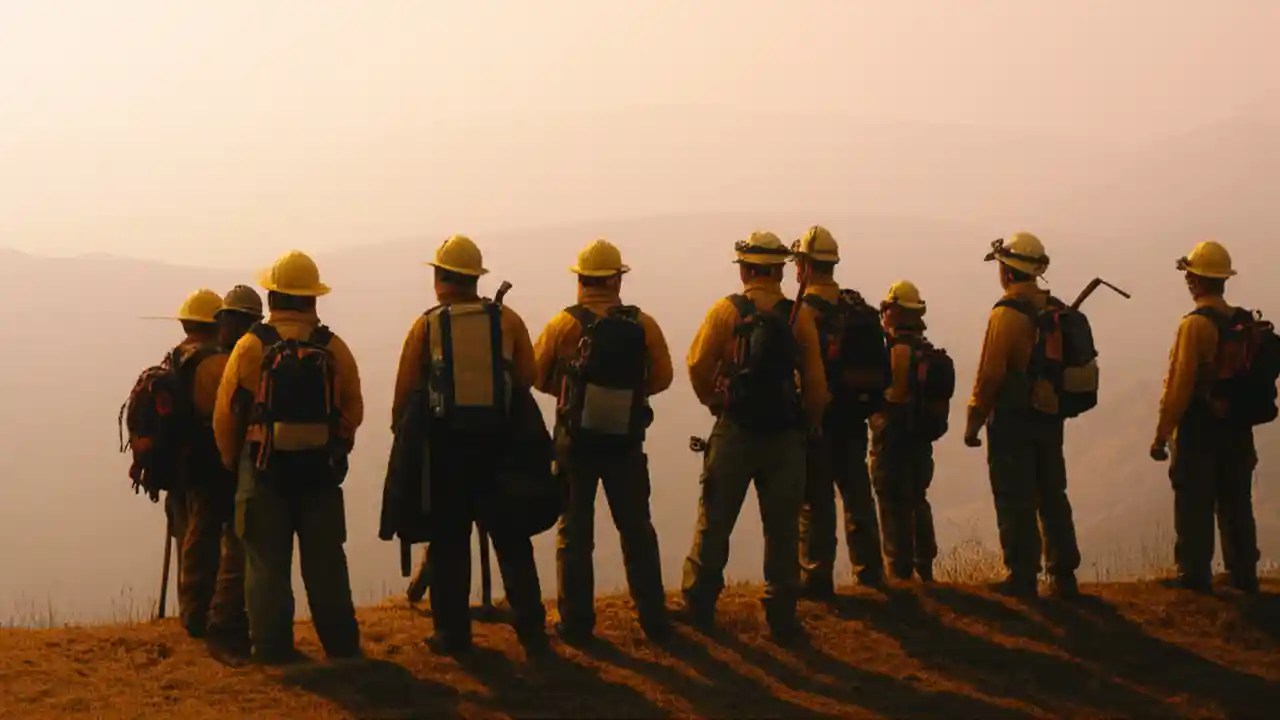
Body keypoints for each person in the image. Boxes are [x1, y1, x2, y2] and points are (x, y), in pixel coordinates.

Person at [391, 234, 549, 656]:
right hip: (500, 448)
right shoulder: (508, 319)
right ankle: (532, 630)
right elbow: (527, 377)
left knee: (448, 543)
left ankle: (452, 635)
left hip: (446, 451)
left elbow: (406, 392)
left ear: (441, 278)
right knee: (512, 541)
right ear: (475, 278)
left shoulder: (426, 326)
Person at [213, 251, 363, 664]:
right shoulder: (333, 347)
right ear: (312, 300)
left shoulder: (249, 347)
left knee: (265, 566)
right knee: (327, 563)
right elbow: (353, 409)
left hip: (263, 471)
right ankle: (342, 647)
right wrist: (333, 446)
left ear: (272, 296)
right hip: (319, 473)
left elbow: (226, 415)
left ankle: (272, 650)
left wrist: (235, 461)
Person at [682, 231, 827, 642]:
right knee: (781, 528)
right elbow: (815, 382)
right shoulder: (798, 317)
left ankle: (700, 604)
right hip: (784, 434)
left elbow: (697, 363)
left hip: (736, 429)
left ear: (745, 269)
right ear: (780, 270)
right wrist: (811, 424)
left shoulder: (726, 312)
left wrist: (715, 400)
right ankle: (781, 616)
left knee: (715, 520)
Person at [533, 239, 674, 644]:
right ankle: (653, 619)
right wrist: (629, 396)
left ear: (581, 280)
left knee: (574, 534)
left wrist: (571, 395)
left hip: (575, 443)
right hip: (626, 443)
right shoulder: (642, 324)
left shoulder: (563, 324)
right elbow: (662, 377)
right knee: (636, 529)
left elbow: (537, 374)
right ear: (616, 279)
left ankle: (576, 625)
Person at [963, 233, 1081, 599]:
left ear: (1007, 270)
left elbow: (990, 374)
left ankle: (1022, 576)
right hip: (1048, 416)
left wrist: (974, 420)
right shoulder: (1055, 309)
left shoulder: (1006, 314)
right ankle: (1063, 576)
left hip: (1012, 420)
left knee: (1015, 496)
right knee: (1052, 492)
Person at [1150, 241, 1261, 594]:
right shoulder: (1242, 324)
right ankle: (1244, 574)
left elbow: (1179, 386)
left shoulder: (1195, 326)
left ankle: (1194, 576)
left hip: (1200, 430)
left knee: (1194, 503)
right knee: (1236, 503)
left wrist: (1161, 434)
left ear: (1195, 281)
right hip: (1238, 429)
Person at [791, 226, 886, 595]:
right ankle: (870, 573)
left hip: (818, 419)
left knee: (815, 501)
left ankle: (816, 576)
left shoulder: (803, 314)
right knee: (857, 493)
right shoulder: (856, 309)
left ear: (804, 265)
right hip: (854, 416)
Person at [180, 285, 262, 662]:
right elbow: (228, 414)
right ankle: (215, 615)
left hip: (191, 462)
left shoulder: (183, 359)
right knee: (227, 536)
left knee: (197, 532)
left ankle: (195, 611)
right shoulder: (218, 364)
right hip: (216, 462)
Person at [869, 281, 942, 583]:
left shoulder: (898, 350)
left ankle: (898, 570)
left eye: (887, 308)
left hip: (893, 441)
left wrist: (873, 410)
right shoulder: (924, 349)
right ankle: (924, 565)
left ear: (896, 311)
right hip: (920, 441)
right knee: (917, 499)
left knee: (892, 503)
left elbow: (896, 394)